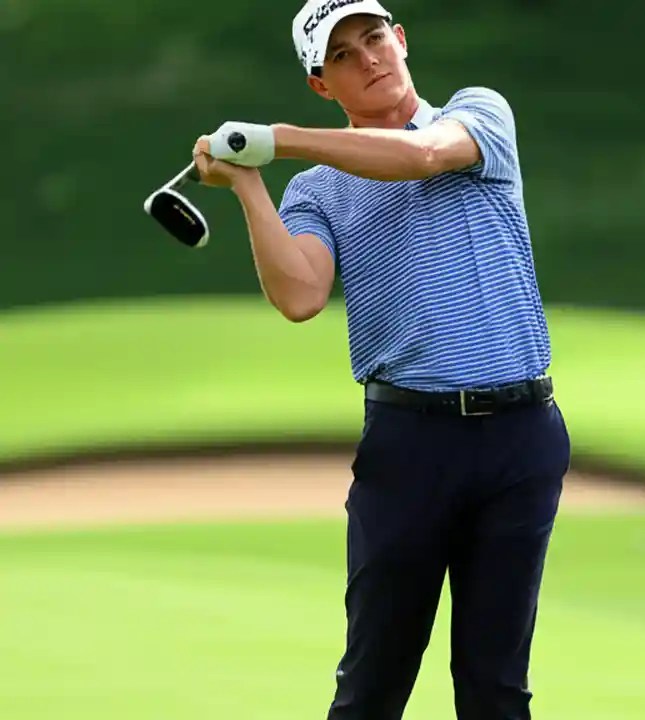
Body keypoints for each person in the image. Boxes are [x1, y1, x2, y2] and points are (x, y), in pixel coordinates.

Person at [190, 1, 571, 718]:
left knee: (495, 688)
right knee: (372, 687)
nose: (367, 59)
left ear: (400, 40)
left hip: (521, 435)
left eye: (373, 39)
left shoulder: (476, 114)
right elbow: (300, 293)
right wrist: (248, 181)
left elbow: (421, 157)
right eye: (341, 56)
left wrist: (277, 139)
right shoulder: (318, 189)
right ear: (321, 84)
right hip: (410, 447)